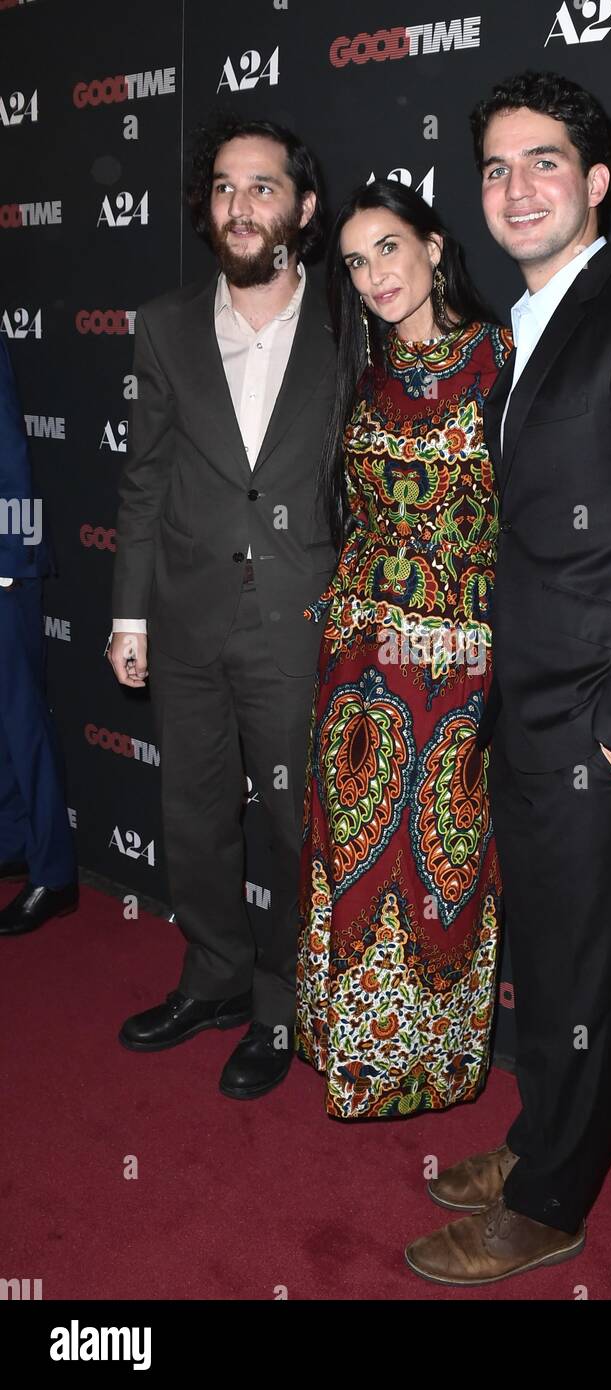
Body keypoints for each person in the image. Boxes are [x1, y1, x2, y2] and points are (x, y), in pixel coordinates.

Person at [406, 71, 611, 1284]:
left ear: (598, 183)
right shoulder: (528, 326)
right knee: (549, 960)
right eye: (495, 167)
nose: (515, 187)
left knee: (585, 970)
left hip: (600, 725)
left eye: (544, 161)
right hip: (530, 713)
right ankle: (542, 1133)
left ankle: (549, 1201)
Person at [110, 117, 336, 1100]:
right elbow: (144, 479)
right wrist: (129, 615)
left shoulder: (351, 324)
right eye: (224, 190)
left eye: (263, 187)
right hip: (188, 616)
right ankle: (212, 977)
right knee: (193, 813)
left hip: (298, 620)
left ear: (304, 207)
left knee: (291, 826)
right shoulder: (163, 324)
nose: (242, 207)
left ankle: (280, 1004)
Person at [295, 181, 513, 1119]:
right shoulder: (364, 369)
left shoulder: (501, 359)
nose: (374, 275)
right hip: (357, 661)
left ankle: (431, 1068)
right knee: (350, 861)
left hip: (459, 663)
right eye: (354, 261)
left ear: (432, 245)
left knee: (441, 867)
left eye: (388, 248)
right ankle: (350, 1058)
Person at [0, 337, 78, 936]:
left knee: (25, 723)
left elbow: (9, 448)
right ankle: (13, 841)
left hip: (5, 570)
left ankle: (54, 874)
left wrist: (12, 560)